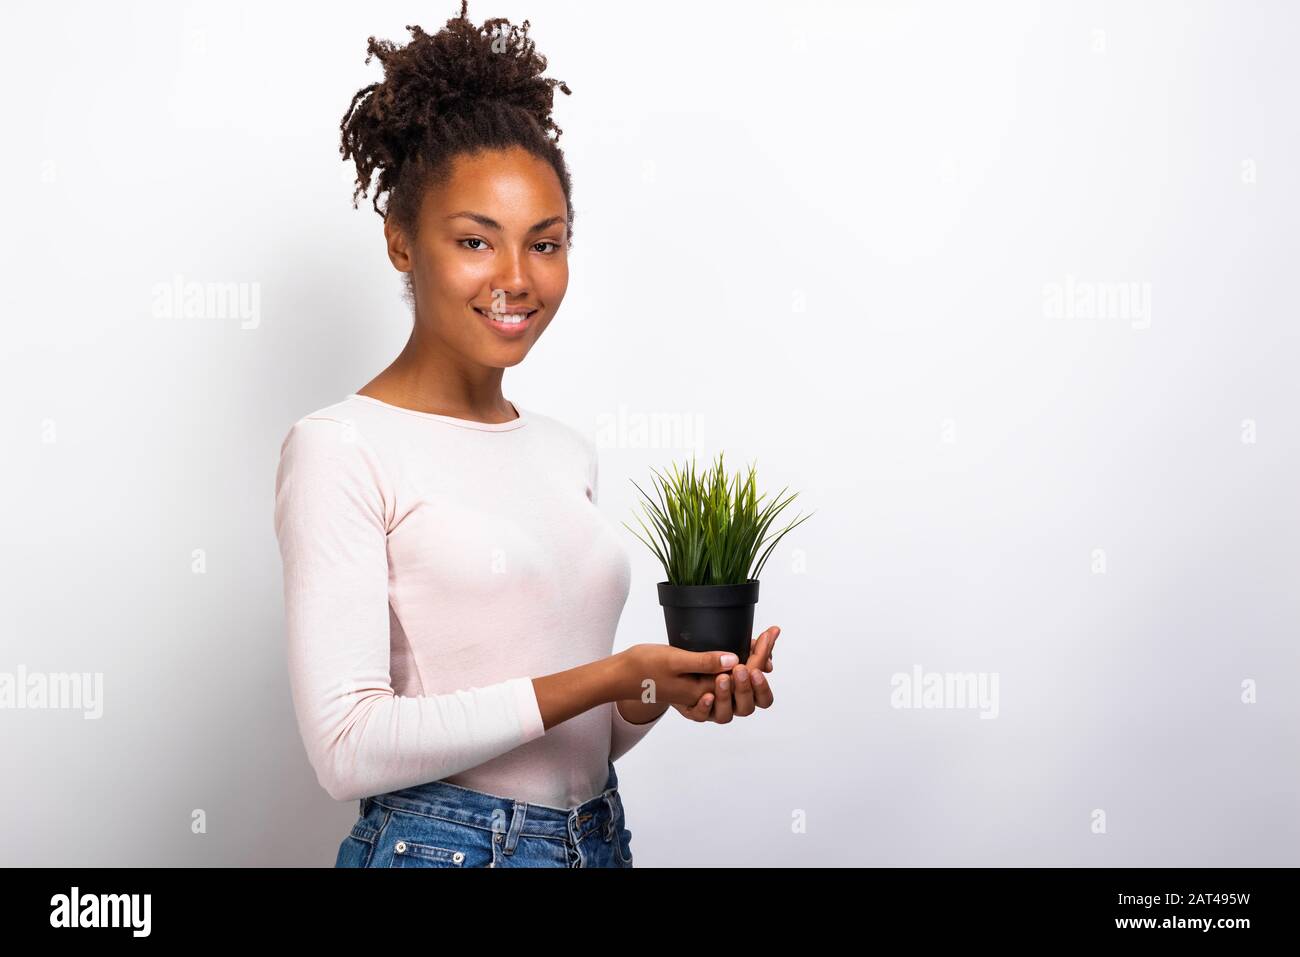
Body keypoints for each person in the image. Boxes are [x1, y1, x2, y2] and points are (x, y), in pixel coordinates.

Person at [273, 1, 780, 868]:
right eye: (475, 240)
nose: (515, 279)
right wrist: (610, 675)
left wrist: (660, 686)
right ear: (401, 240)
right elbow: (346, 744)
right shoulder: (340, 448)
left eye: (545, 244)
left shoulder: (563, 450)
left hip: (596, 839)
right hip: (442, 851)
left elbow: (578, 742)